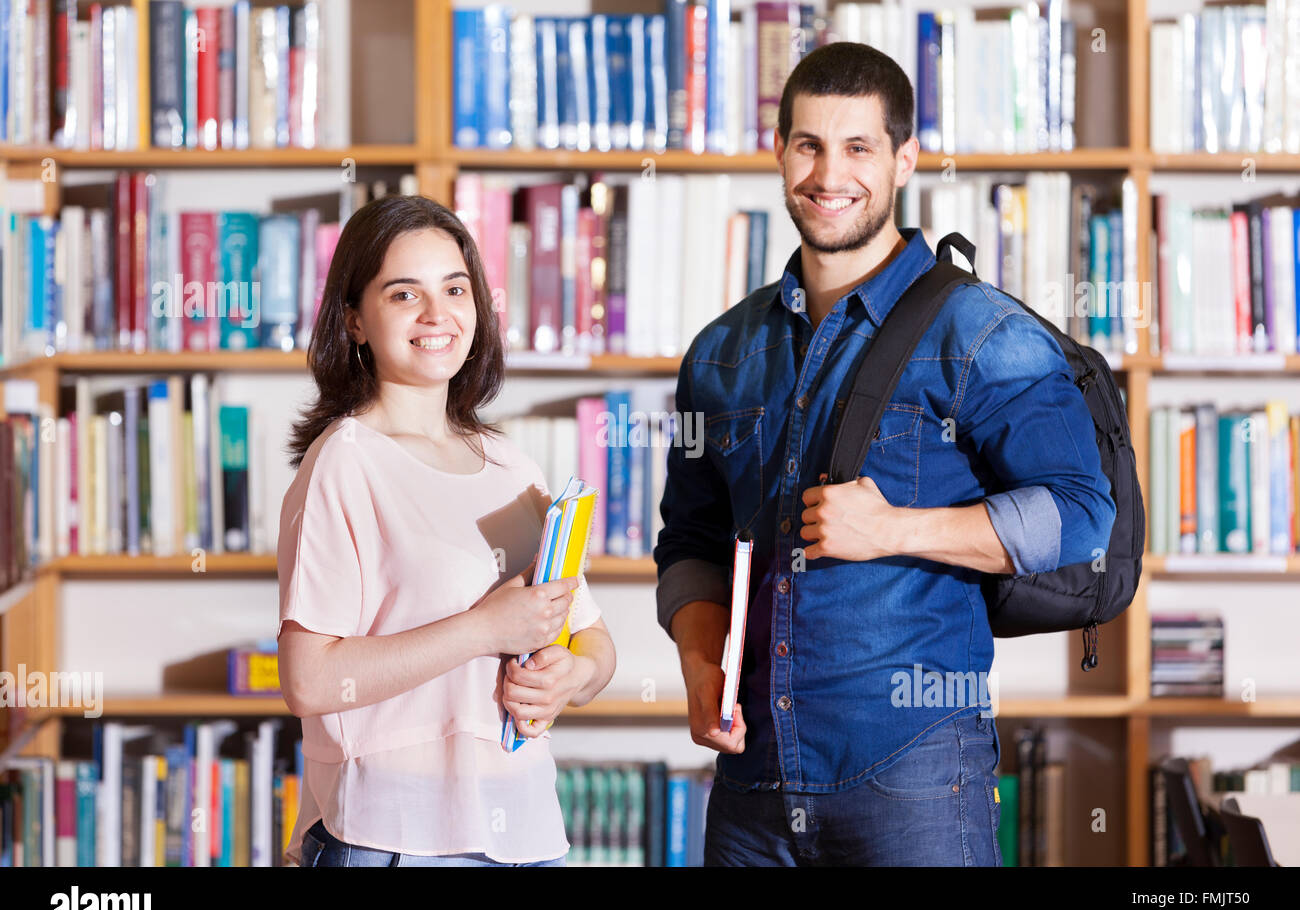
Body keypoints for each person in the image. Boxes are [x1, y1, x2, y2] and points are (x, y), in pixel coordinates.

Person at [653, 42, 1116, 866]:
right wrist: (698, 661)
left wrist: (896, 529)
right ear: (780, 151)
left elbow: (1081, 518)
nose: (830, 174)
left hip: (917, 783)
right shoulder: (720, 353)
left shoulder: (983, 334)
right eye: (809, 145)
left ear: (904, 158)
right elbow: (690, 542)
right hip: (752, 784)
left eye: (859, 147)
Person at [277, 195, 616, 867]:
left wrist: (572, 675)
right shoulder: (346, 462)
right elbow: (308, 682)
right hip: (392, 838)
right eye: (405, 294)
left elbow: (595, 641)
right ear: (355, 322)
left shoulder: (513, 466)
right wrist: (483, 631)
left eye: (455, 289)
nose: (438, 315)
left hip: (525, 836)